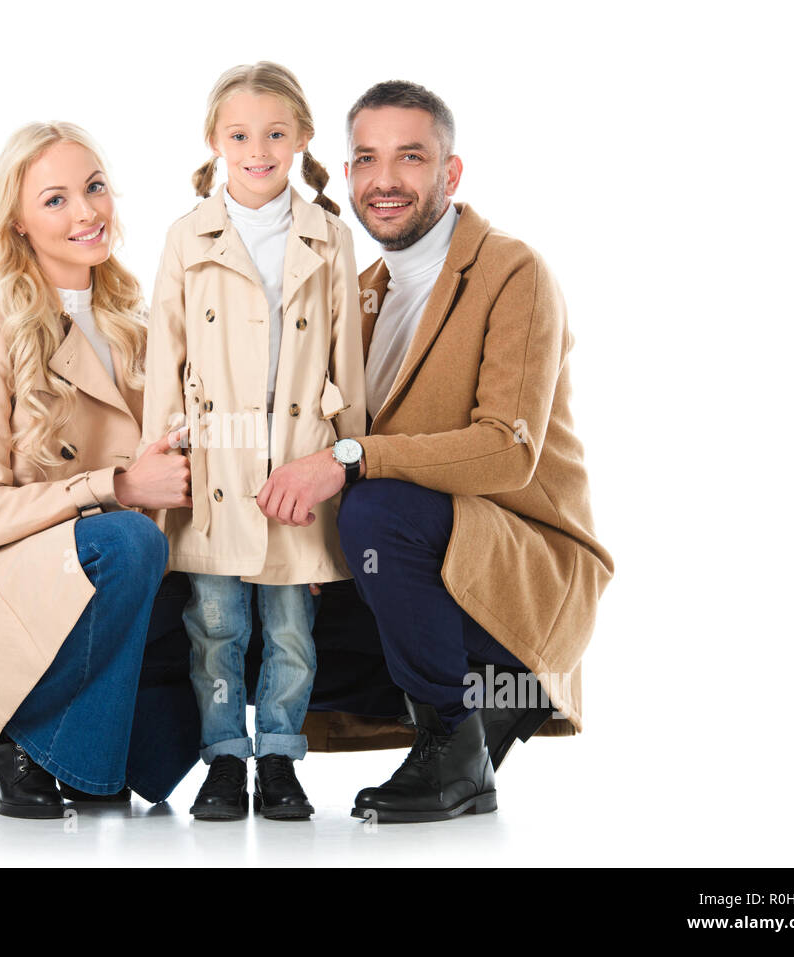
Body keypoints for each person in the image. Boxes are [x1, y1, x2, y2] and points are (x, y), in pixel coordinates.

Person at [257, 80, 615, 822]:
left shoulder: (513, 274)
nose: (384, 180)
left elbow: (504, 451)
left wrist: (349, 459)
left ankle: (457, 750)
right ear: (348, 175)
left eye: (409, 157)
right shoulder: (359, 294)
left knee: (377, 505)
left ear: (450, 175)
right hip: (409, 579)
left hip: (518, 575)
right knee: (246, 617)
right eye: (365, 160)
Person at [0, 122, 199, 819]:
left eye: (94, 188)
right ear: (18, 222)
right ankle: (13, 732)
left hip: (115, 593)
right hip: (10, 587)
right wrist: (118, 488)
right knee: (131, 538)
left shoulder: (143, 330)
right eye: (56, 200)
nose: (86, 213)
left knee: (242, 605)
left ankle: (70, 750)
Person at [139, 62, 366, 821]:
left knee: (292, 628)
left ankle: (279, 755)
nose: (258, 149)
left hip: (299, 460)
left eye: (275, 133)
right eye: (240, 134)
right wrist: (157, 465)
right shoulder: (187, 237)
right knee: (215, 625)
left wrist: (345, 466)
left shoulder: (330, 238)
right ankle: (222, 759)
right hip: (214, 463)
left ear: (302, 138)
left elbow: (349, 369)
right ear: (215, 140)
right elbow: (162, 366)